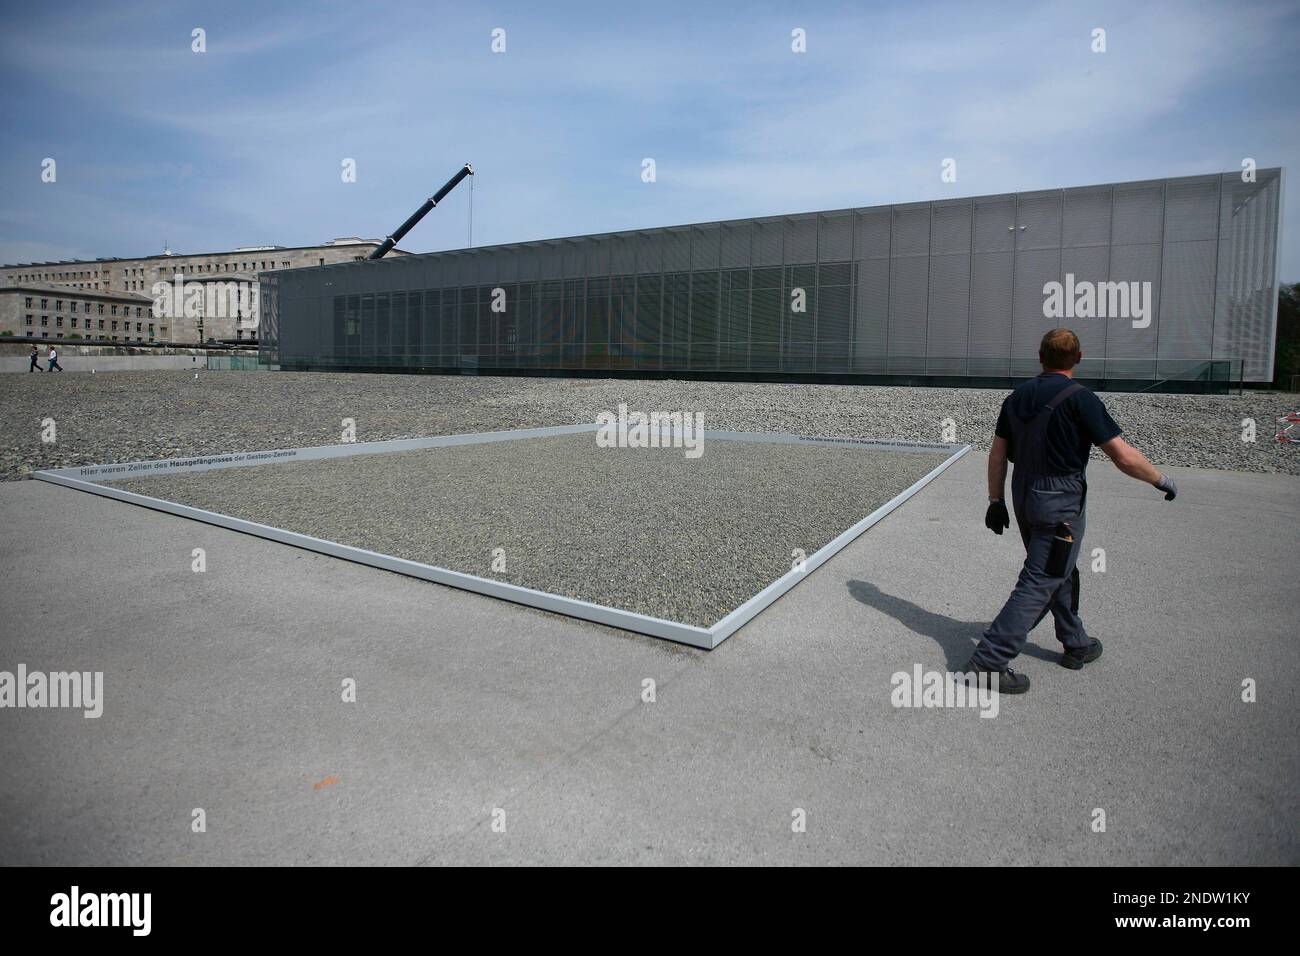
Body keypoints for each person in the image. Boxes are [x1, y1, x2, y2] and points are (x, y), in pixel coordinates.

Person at [965, 328, 1177, 694]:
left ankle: (1075, 641)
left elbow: (998, 454)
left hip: (1024, 496)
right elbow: (1123, 456)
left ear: (1040, 356)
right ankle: (988, 660)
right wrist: (1161, 480)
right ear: (1078, 358)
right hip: (1059, 501)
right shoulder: (1082, 400)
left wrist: (995, 501)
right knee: (1039, 579)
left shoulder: (1015, 398)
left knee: (1056, 569)